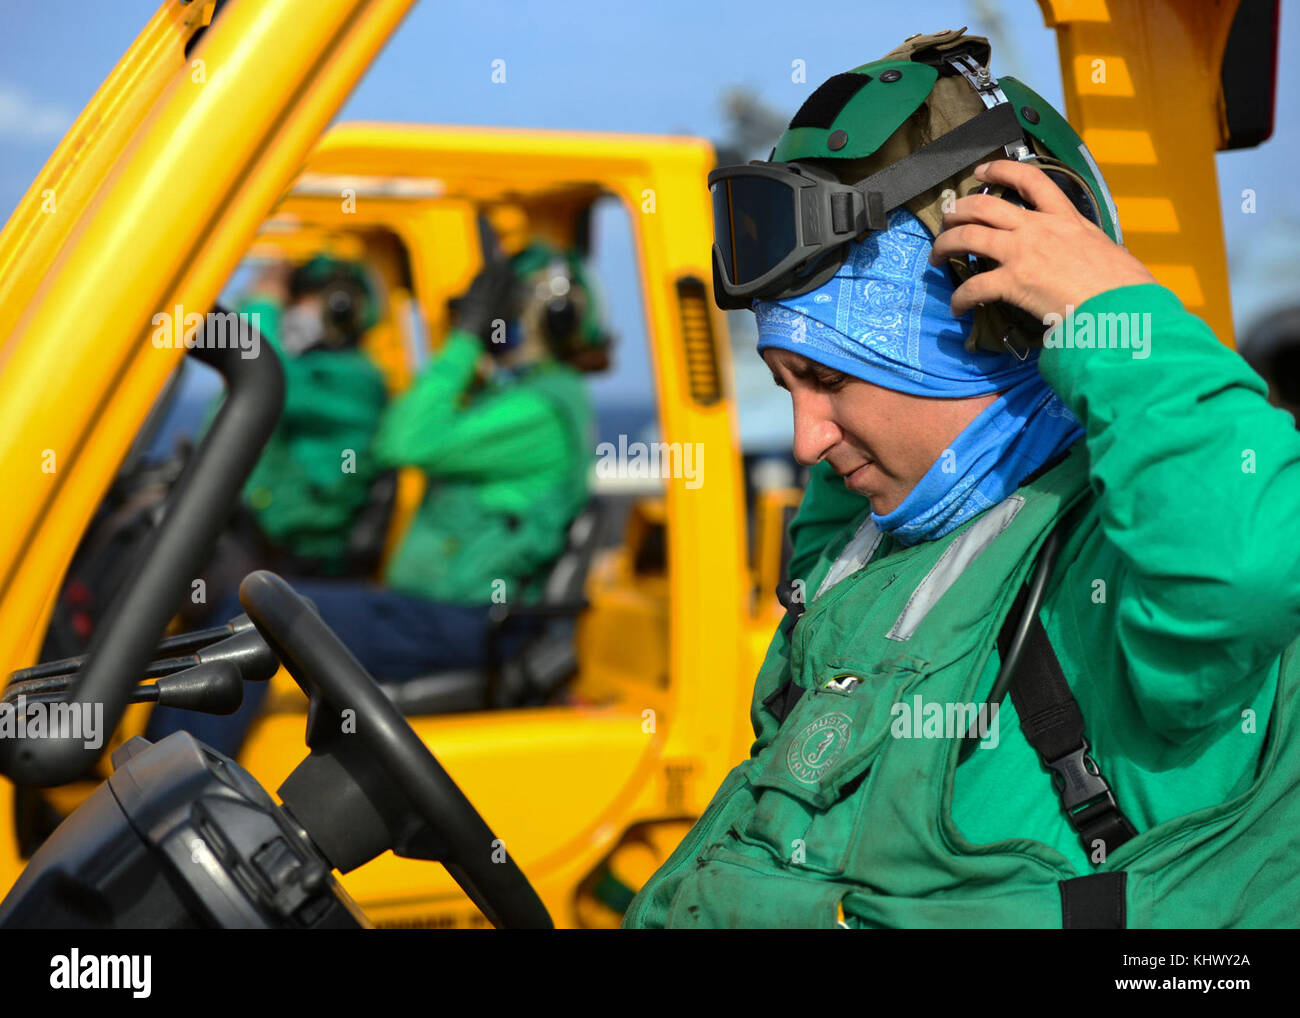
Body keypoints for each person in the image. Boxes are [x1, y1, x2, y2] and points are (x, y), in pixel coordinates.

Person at [624, 29, 1300, 928]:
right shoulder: (868, 543)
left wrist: (1107, 314)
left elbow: (1243, 565)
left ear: (999, 327)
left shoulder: (1112, 578)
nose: (805, 442)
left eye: (828, 380)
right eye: (787, 382)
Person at [150, 240, 606, 756]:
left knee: (253, 613)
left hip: (463, 623)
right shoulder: (524, 398)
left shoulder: (539, 412)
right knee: (247, 606)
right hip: (436, 612)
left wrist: (465, 341)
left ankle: (170, 782)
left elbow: (403, 440)